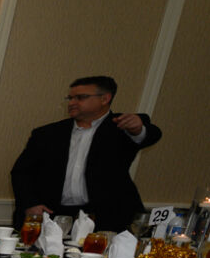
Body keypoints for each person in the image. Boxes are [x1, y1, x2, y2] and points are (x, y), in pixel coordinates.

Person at [10, 75, 162, 233]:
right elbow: (21, 172)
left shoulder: (122, 127)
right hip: (54, 216)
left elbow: (151, 135)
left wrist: (138, 129)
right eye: (70, 98)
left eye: (80, 97)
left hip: (107, 218)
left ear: (104, 99)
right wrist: (30, 203)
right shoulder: (47, 133)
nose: (72, 103)